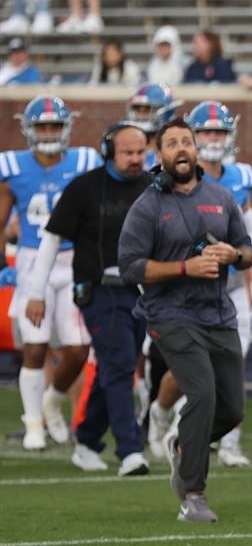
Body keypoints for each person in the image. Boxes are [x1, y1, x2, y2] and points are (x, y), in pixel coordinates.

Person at [117, 118, 252, 522]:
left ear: (196, 151)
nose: (181, 149)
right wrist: (184, 268)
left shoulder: (221, 197)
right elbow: (129, 267)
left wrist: (233, 256)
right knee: (203, 393)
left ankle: (183, 443)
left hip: (218, 313)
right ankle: (193, 495)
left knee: (232, 411)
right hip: (169, 315)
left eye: (186, 142)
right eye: (171, 143)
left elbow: (246, 250)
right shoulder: (147, 205)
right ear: (158, 155)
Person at [20, 122, 147, 477]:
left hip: (140, 290)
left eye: (140, 152)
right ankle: (130, 450)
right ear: (109, 151)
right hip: (98, 291)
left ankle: (88, 441)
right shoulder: (84, 187)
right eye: (128, 153)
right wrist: (35, 292)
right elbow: (51, 239)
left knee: (115, 366)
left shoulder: (152, 187)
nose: (136, 160)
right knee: (120, 365)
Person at [1, 98, 102, 452]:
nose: (48, 132)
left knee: (77, 349)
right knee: (35, 346)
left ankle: (52, 402)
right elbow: (0, 220)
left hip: (74, 261)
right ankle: (33, 423)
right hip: (32, 263)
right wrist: (2, 265)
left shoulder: (86, 161)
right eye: (42, 126)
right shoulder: (12, 166)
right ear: (29, 129)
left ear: (66, 128)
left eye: (54, 126)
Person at [183, 101, 252, 469]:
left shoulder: (240, 176)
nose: (213, 138)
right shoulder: (179, 176)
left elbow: (250, 227)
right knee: (189, 366)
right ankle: (172, 427)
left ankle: (230, 441)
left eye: (219, 132)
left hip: (231, 285)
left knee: (236, 363)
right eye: (206, 132)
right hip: (190, 286)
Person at [124, 81, 182, 171]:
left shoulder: (177, 150)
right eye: (138, 110)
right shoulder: (124, 147)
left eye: (147, 109)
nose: (141, 115)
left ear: (164, 110)